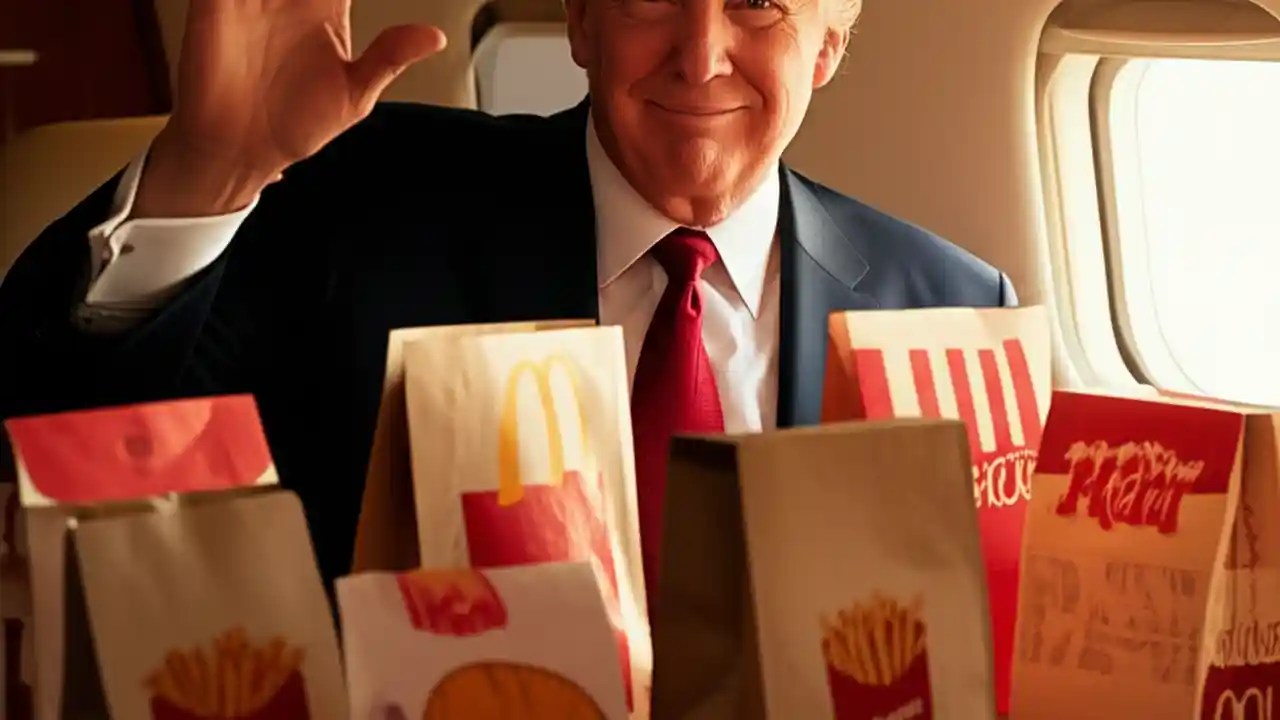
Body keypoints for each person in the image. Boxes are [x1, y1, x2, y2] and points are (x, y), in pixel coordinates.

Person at [0, 0, 1017, 590]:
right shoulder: (363, 194)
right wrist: (209, 172)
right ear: (578, 20)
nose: (699, 53)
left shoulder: (948, 309)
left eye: (755, 1)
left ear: (828, 45)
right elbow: (66, 452)